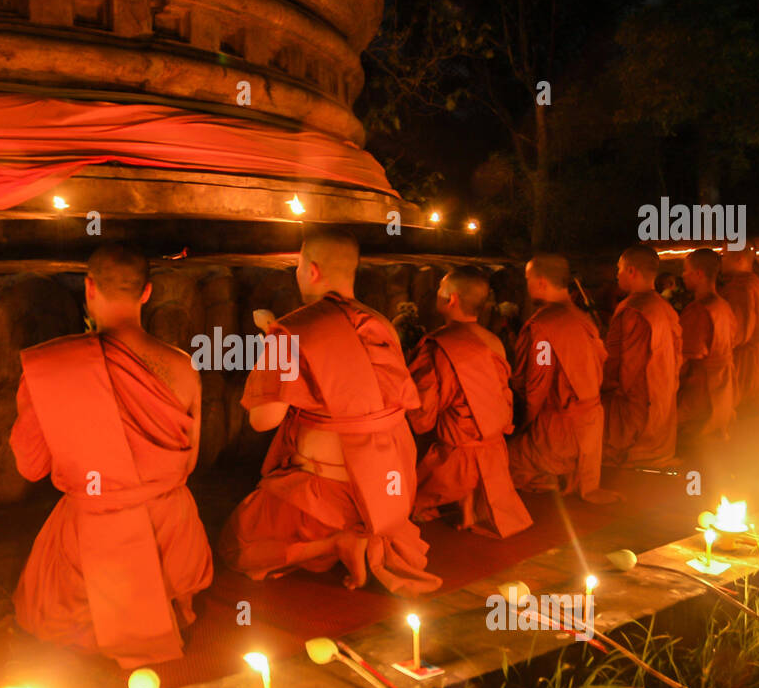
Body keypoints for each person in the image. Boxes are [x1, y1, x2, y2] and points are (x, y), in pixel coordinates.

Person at [11, 244, 213, 668]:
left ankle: (101, 632)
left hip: (94, 535)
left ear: (89, 288)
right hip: (172, 534)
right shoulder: (181, 366)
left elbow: (31, 467)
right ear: (147, 293)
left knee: (48, 612)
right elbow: (189, 463)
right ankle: (161, 613)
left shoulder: (55, 366)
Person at [218, 231, 439, 596]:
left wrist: (271, 351)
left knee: (236, 547)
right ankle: (359, 535)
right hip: (388, 483)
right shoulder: (379, 323)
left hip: (325, 492)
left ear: (312, 271)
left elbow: (263, 420)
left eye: (299, 265)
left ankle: (334, 543)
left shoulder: (292, 333)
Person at [408, 268, 532, 538]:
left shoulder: (438, 346)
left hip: (453, 461)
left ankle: (449, 496)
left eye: (440, 292)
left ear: (451, 300)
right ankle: (469, 502)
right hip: (496, 453)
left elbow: (421, 414)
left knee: (398, 498)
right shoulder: (494, 342)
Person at [507, 255, 619, 504]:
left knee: (496, 464)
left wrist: (523, 425)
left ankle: (547, 469)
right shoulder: (583, 319)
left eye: (528, 280)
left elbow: (538, 384)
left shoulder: (544, 327)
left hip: (559, 430)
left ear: (541, 282)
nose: (528, 287)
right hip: (590, 429)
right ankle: (558, 474)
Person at [602, 245, 682, 468]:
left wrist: (606, 386)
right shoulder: (664, 307)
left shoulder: (635, 310)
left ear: (631, 271)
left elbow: (629, 368)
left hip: (637, 403)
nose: (616, 274)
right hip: (661, 396)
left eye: (619, 269)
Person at [677, 248, 737, 442]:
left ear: (699, 274)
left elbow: (685, 358)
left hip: (701, 395)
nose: (683, 275)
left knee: (695, 450)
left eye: (686, 270)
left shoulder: (700, 311)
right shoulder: (724, 306)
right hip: (723, 391)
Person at [720, 244, 759, 418]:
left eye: (724, 256)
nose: (721, 260)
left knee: (741, 421)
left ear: (739, 259)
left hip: (745, 369)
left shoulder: (741, 288)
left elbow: (736, 334)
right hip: (758, 365)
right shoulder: (756, 284)